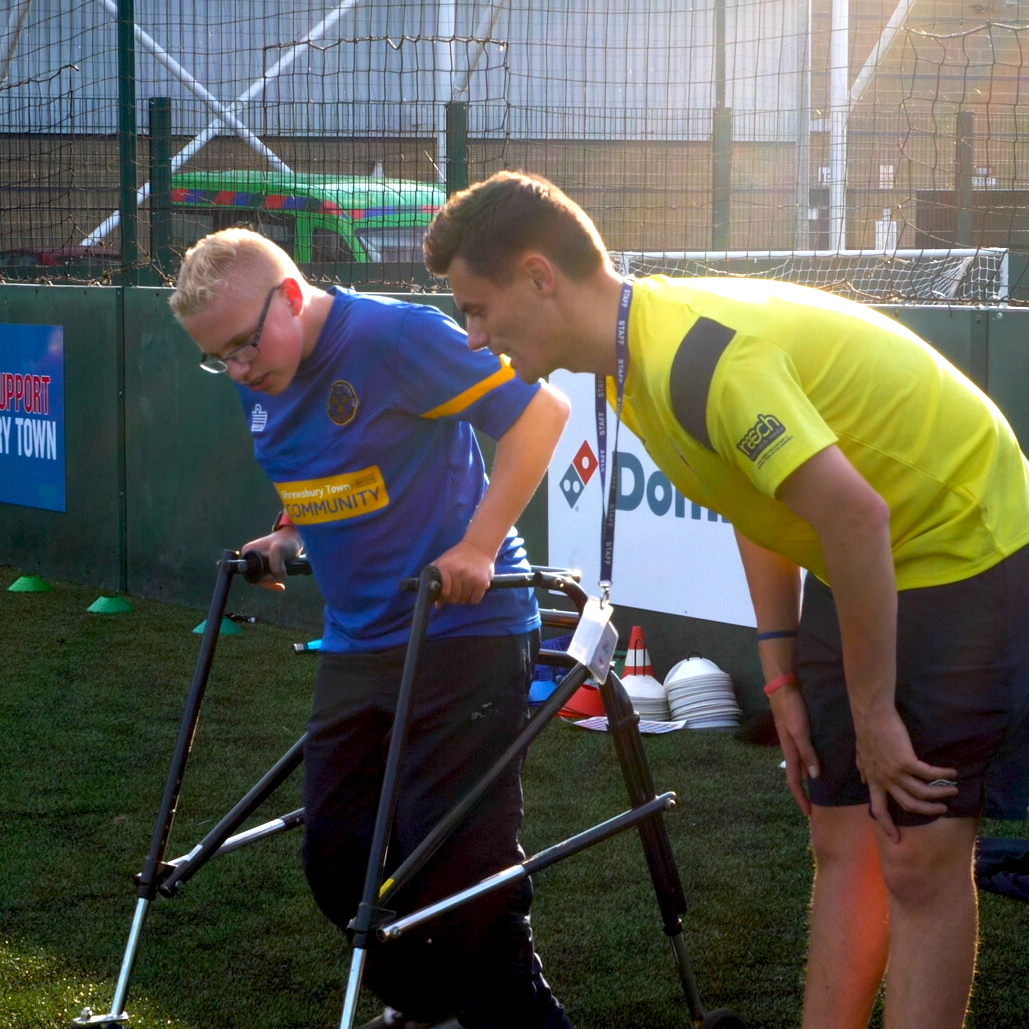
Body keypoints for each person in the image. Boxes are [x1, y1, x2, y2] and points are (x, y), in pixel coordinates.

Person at [423, 171, 1029, 1029]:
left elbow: (856, 516)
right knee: (839, 836)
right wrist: (779, 677)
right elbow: (762, 501)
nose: (476, 336)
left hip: (961, 540)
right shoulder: (631, 357)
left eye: (478, 308)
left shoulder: (692, 357)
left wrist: (876, 714)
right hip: (865, 552)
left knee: (916, 853)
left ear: (537, 275)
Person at [169, 227, 573, 1029]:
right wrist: (288, 534)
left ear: (289, 296)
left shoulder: (394, 336)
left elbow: (541, 415)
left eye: (244, 347)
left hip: (463, 630)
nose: (240, 371)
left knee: (454, 865)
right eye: (220, 360)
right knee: (335, 858)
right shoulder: (261, 367)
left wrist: (477, 545)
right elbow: (318, 463)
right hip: (358, 642)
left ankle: (507, 1014)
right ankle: (428, 1007)